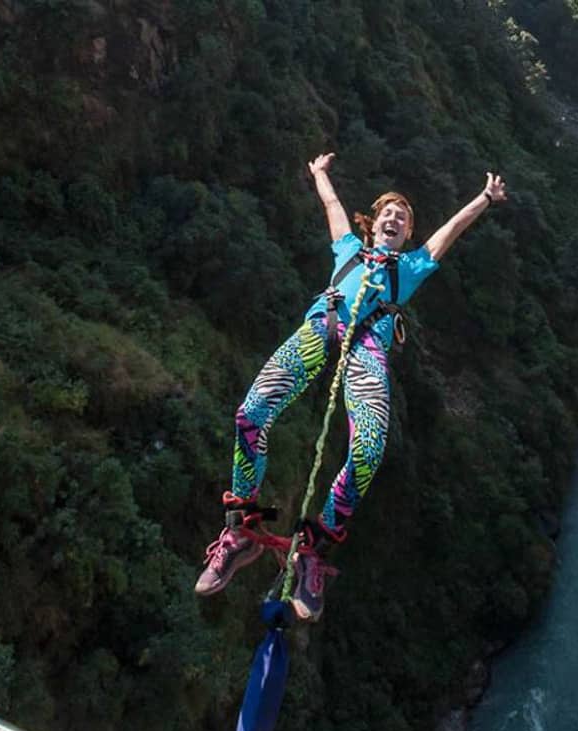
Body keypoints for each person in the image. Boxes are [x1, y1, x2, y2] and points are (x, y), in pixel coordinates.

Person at [195, 152, 507, 621]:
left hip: (366, 350)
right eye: (388, 213)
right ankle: (241, 530)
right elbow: (332, 207)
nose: (395, 219)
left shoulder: (411, 268)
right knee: (251, 414)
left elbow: (450, 232)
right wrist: (320, 174)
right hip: (321, 330)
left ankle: (313, 551)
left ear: (406, 235)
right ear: (373, 224)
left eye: (402, 218)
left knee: (369, 448)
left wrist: (484, 198)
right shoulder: (346, 248)